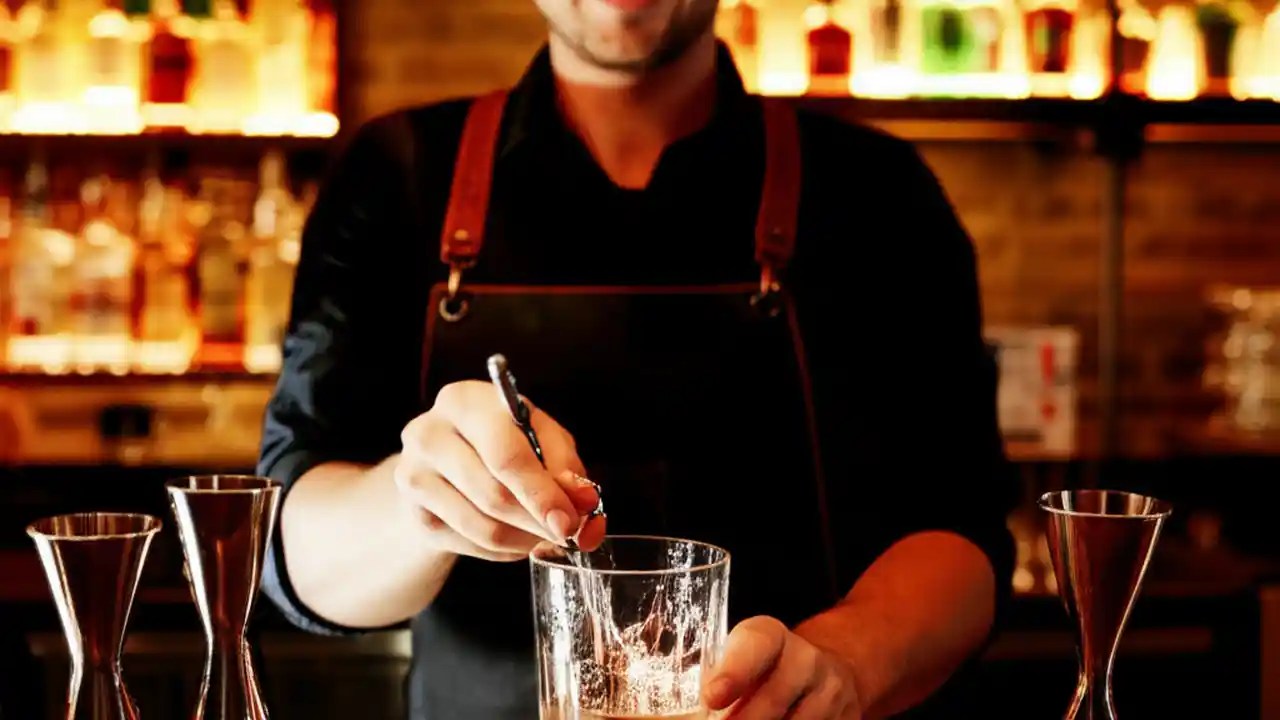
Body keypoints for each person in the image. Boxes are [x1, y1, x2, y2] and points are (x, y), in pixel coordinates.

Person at [257, 0, 1018, 718]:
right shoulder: (394, 176)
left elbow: (962, 535)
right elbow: (298, 547)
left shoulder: (879, 195)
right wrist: (415, 502)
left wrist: (843, 663)